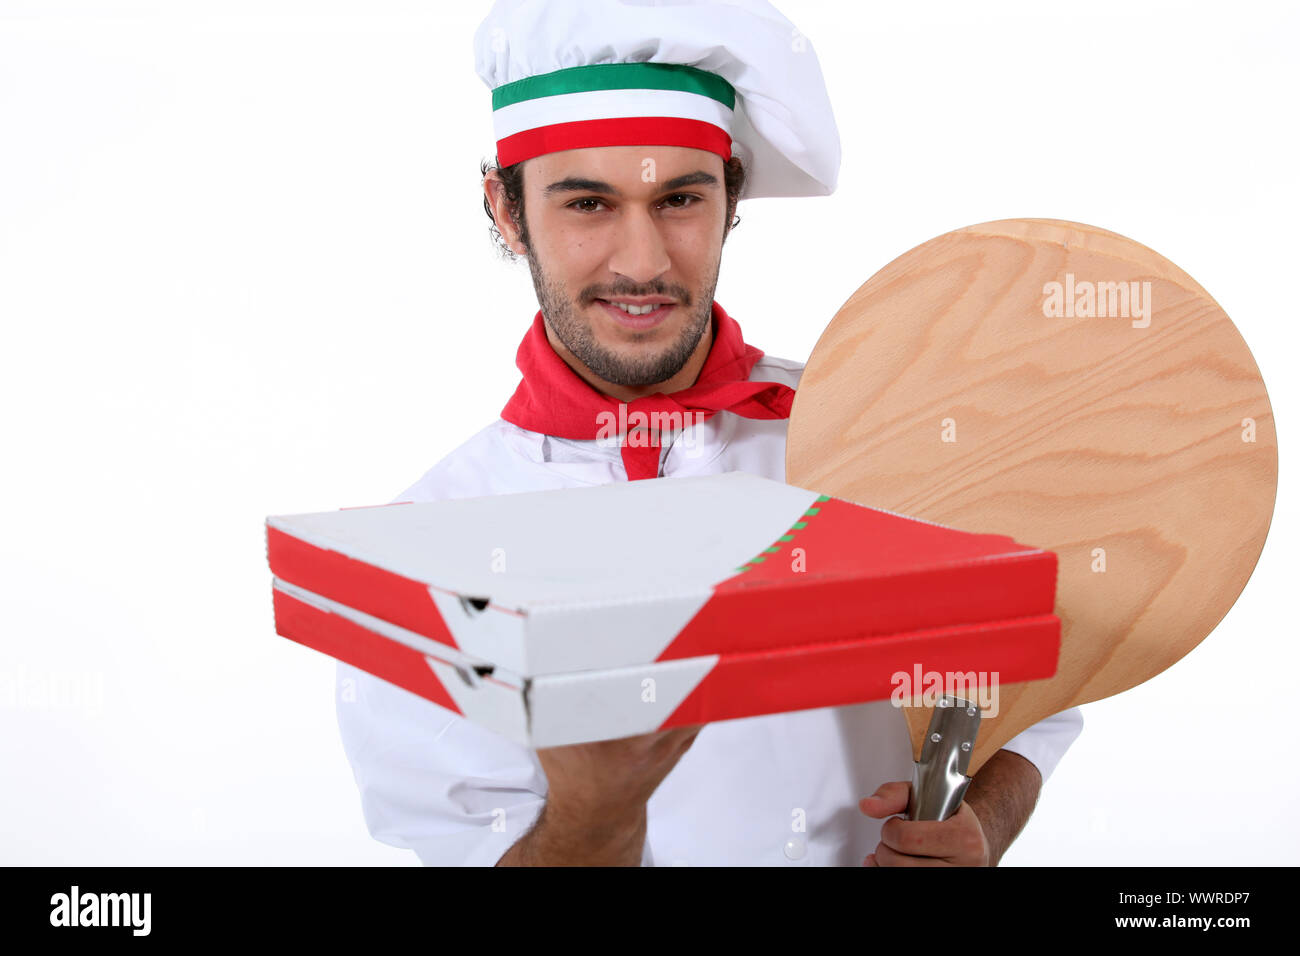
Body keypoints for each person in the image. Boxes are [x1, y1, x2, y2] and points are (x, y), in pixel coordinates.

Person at [335, 0, 1083, 866]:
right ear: (507, 211)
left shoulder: (878, 430)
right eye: (588, 203)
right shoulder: (426, 550)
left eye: (679, 199)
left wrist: (982, 818)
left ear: (730, 200)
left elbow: (1041, 691)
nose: (643, 262)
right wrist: (595, 814)